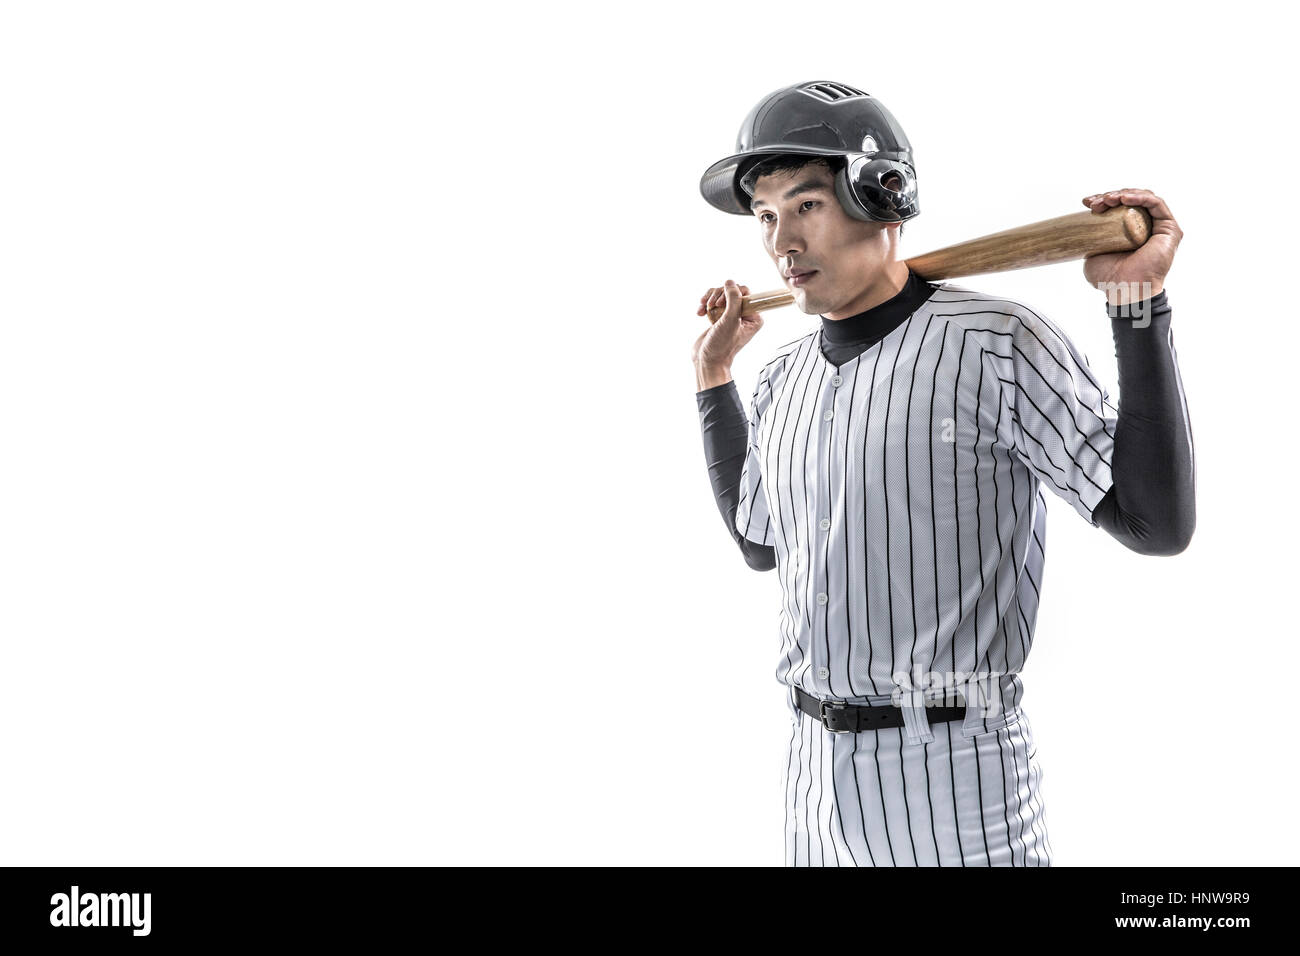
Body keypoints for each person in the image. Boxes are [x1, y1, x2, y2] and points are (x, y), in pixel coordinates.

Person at [693, 82, 1194, 866]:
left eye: (806, 206)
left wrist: (1138, 301)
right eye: (764, 217)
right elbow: (761, 543)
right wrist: (714, 377)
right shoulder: (778, 378)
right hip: (809, 779)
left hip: (955, 782)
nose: (780, 241)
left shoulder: (1000, 343)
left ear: (880, 193)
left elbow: (1153, 522)